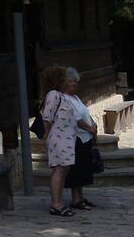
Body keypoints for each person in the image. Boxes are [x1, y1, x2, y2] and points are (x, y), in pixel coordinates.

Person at [41, 64, 88, 217]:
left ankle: (59, 201)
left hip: (67, 138)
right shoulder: (54, 94)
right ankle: (56, 204)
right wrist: (47, 135)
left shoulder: (62, 96)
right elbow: (47, 116)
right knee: (59, 170)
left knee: (64, 170)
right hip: (59, 138)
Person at [59, 67, 98, 209]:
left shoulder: (75, 97)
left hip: (85, 137)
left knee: (83, 168)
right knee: (77, 169)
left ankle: (81, 197)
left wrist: (93, 124)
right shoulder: (64, 99)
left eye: (76, 82)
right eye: (72, 81)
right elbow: (75, 118)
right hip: (76, 138)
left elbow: (85, 113)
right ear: (65, 82)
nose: (75, 84)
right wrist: (90, 128)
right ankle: (76, 199)